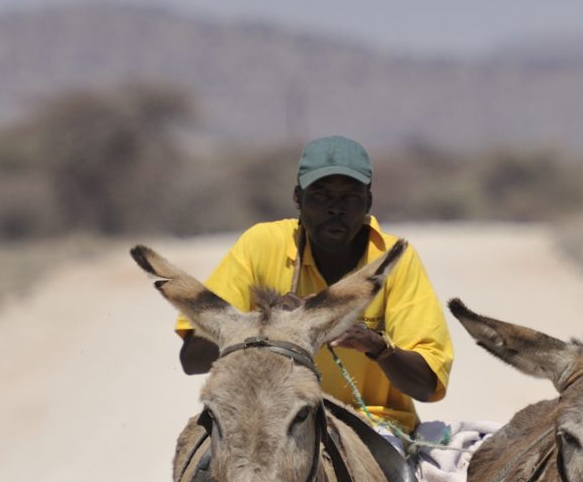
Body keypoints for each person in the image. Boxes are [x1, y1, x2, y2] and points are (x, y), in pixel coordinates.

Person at [174, 135, 453, 436]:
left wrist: (373, 344)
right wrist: (268, 322)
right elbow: (193, 359)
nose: (336, 208)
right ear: (298, 198)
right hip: (271, 424)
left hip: (372, 428)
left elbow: (425, 386)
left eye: (349, 197)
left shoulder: (393, 260)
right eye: (321, 195)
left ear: (368, 202)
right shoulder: (261, 246)